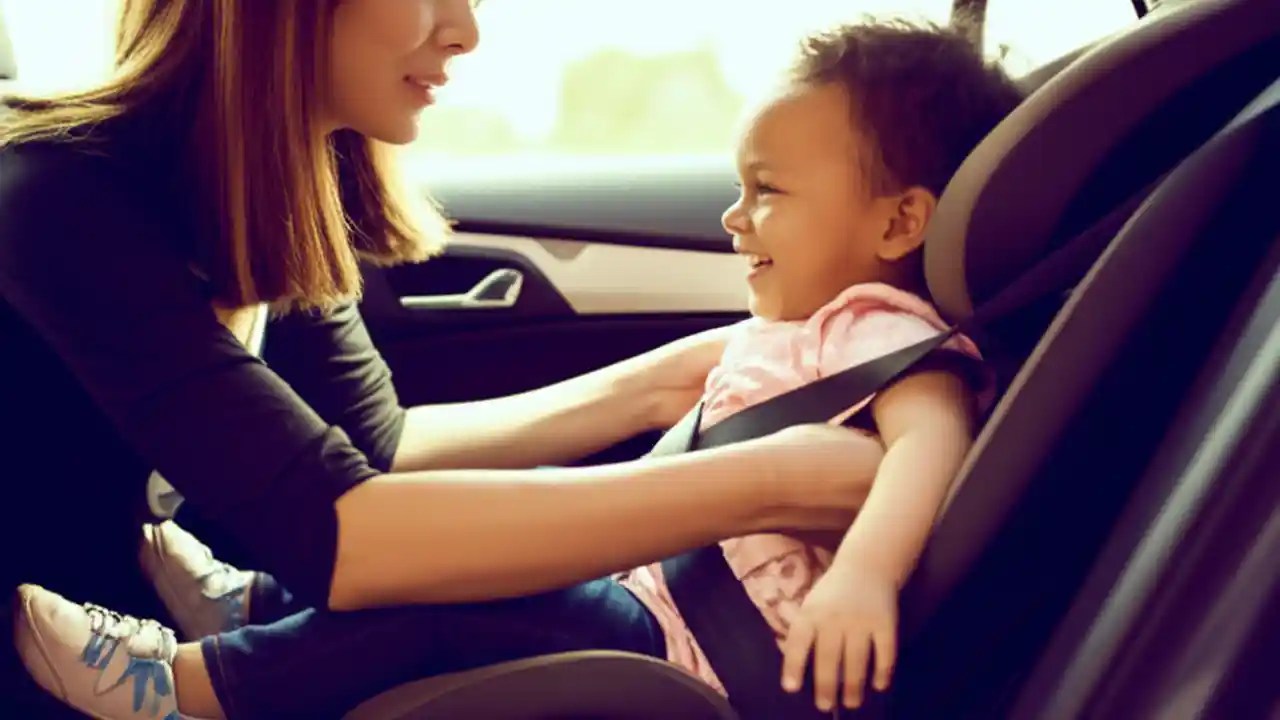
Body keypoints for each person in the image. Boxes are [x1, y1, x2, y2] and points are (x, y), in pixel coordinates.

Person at [10, 14, 1024, 720]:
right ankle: (238, 631)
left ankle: (212, 657)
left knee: (492, 571)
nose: (465, 30)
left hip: (688, 635)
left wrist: (665, 386)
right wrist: (758, 477)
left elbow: (378, 449)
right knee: (477, 568)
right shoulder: (55, 197)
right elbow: (346, 527)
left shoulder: (280, 194)